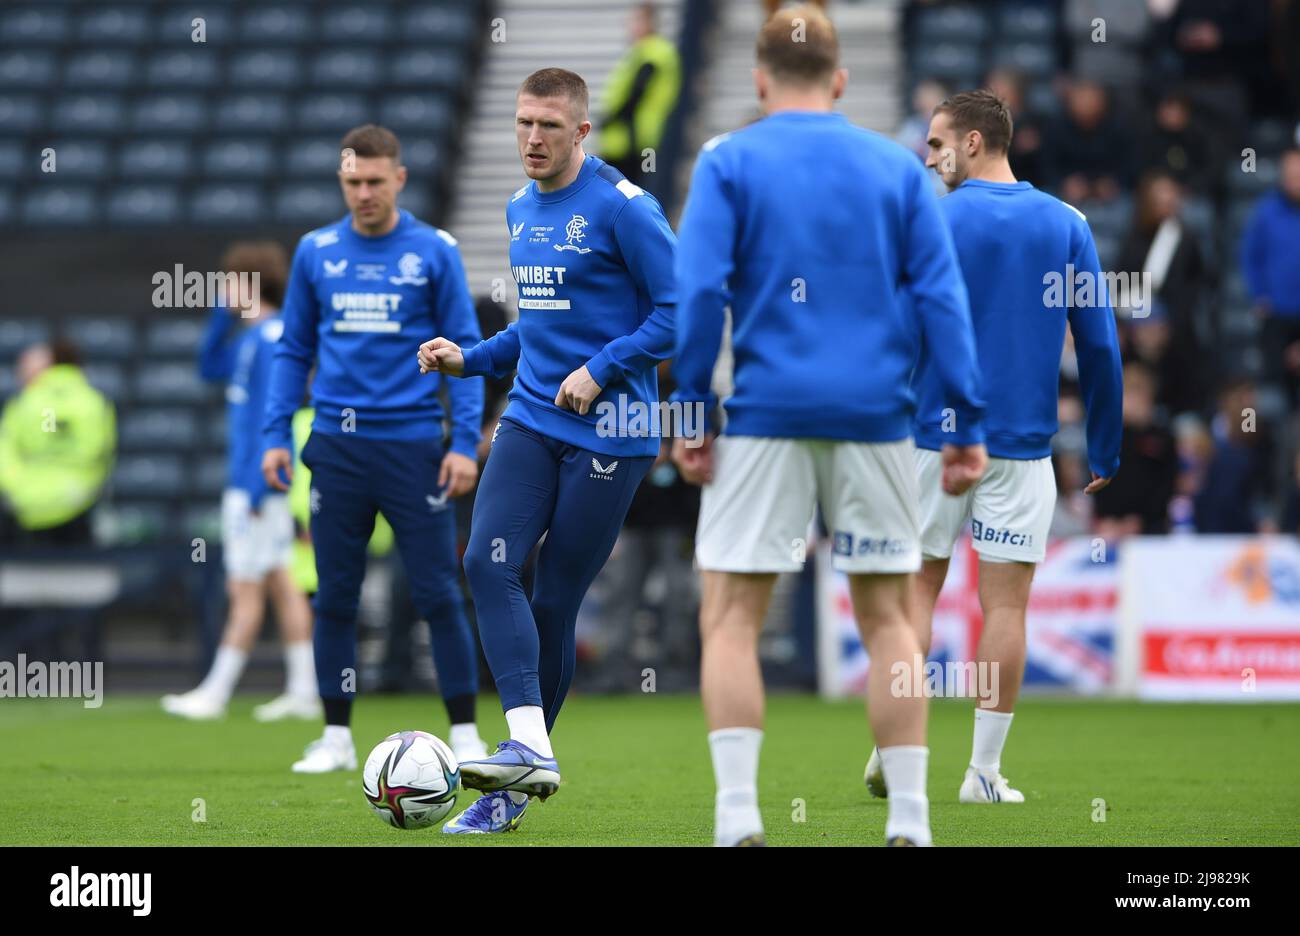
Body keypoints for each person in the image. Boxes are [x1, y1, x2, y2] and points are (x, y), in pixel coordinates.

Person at [671, 5, 987, 847]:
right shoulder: (895, 167)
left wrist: (690, 410)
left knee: (732, 617)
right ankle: (912, 826)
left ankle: (737, 816)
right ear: (841, 80)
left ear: (759, 79)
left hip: (766, 416)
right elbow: (942, 300)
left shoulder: (727, 161)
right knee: (888, 620)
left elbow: (698, 297)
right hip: (879, 422)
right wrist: (962, 419)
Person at [418, 67, 676, 834]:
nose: (533, 138)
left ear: (582, 132)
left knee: (557, 599)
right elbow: (539, 325)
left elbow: (679, 312)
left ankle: (508, 791)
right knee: (485, 563)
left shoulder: (627, 209)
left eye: (549, 126)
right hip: (532, 417)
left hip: (614, 430)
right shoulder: (520, 206)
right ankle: (529, 744)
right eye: (524, 122)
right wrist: (472, 357)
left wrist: (601, 370)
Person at [865, 89, 1122, 806]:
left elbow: (893, 332)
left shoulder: (931, 219)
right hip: (1023, 446)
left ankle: (896, 746)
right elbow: (1099, 343)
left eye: (938, 143)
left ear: (975, 143)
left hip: (930, 439)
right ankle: (982, 775)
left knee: (915, 589)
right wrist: (1103, 442)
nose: (929, 156)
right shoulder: (1066, 223)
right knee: (1006, 608)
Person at [260, 124, 487, 773]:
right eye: (352, 181)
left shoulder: (433, 251)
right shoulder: (315, 251)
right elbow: (293, 349)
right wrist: (277, 433)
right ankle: (334, 735)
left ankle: (465, 731)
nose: (363, 193)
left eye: (374, 182)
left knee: (439, 591)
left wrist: (464, 442)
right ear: (342, 179)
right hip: (336, 446)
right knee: (335, 595)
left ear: (399, 179)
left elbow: (464, 351)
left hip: (413, 444)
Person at [162, 242, 318, 721]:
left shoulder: (272, 341)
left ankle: (217, 692)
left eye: (229, 282)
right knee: (281, 585)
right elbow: (208, 365)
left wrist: (258, 488)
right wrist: (220, 314)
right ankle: (304, 689)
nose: (222, 290)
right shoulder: (250, 339)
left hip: (257, 485)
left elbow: (277, 417)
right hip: (252, 483)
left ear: (249, 285)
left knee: (247, 590)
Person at [0, 339, 115, 547]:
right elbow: (103, 454)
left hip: (28, 508)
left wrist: (18, 492)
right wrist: (81, 490)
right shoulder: (94, 401)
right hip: (79, 504)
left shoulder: (24, 403)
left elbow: (4, 455)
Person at [597, 2, 681, 192]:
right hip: (631, 141)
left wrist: (613, 118)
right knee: (634, 193)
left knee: (637, 192)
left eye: (636, 20)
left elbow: (637, 91)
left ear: (649, 22)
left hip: (637, 142)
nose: (630, 26)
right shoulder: (641, 52)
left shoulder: (654, 51)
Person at [1242, 148, 1300, 407]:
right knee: (1273, 395)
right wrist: (1260, 294)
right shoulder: (1266, 212)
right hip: (1276, 314)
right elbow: (1250, 257)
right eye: (1289, 173)